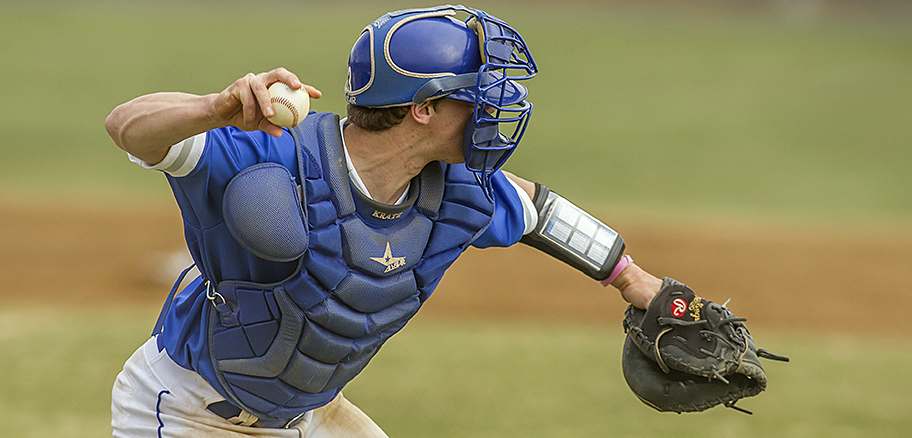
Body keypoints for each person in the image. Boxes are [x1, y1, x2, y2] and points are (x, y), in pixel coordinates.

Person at [105, 5, 663, 437]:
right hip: (188, 412)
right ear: (422, 108)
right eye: (477, 96)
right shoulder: (272, 156)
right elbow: (126, 125)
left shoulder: (461, 190)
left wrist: (637, 284)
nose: (500, 106)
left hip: (310, 414)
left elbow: (540, 212)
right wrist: (212, 108)